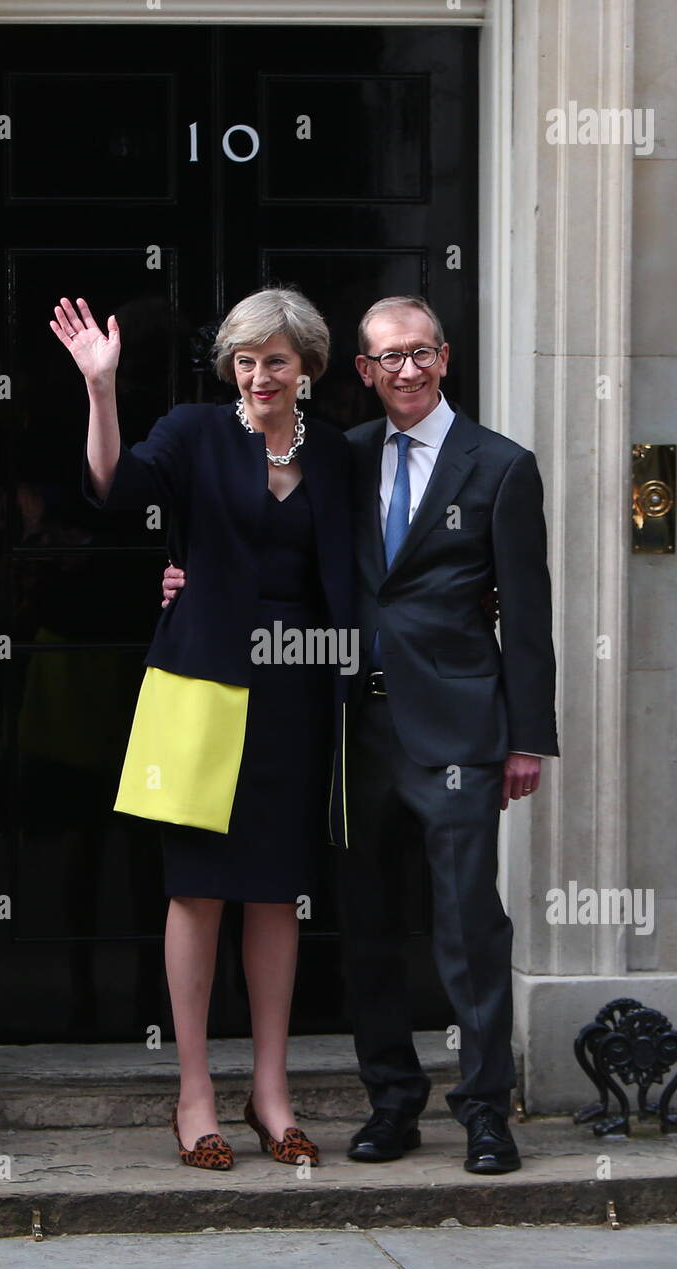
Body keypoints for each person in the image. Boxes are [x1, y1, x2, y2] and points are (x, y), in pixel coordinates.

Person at [164, 294, 558, 1176]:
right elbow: (275, 547)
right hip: (350, 723)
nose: (406, 370)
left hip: (459, 731)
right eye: (388, 358)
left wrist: (527, 738)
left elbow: (527, 618)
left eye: (421, 353)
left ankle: (485, 1113)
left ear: (445, 359)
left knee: (467, 926)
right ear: (366, 372)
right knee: (369, 926)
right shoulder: (338, 457)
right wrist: (193, 582)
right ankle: (392, 1104)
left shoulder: (502, 467)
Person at [50, 287, 352, 1170]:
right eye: (247, 361)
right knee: (197, 887)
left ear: (309, 369)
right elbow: (112, 488)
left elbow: (365, 565)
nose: (260, 376)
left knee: (275, 888)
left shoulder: (338, 454)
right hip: (199, 683)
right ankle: (193, 1097)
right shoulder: (191, 431)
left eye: (278, 361)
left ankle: (272, 1093)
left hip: (295, 691)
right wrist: (101, 391)